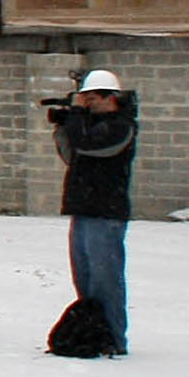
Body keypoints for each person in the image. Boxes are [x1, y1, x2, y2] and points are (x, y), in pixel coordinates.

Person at [51, 67, 139, 355]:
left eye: (93, 98)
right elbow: (71, 154)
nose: (89, 104)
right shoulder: (87, 125)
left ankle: (114, 337)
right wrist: (63, 126)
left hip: (106, 211)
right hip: (83, 207)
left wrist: (75, 118)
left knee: (106, 279)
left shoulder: (121, 126)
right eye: (85, 99)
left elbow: (90, 146)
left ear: (111, 97)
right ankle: (93, 330)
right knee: (85, 276)